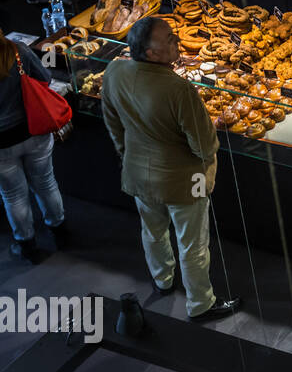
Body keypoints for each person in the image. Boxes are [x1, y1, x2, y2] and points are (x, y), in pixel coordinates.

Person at [100, 17, 240, 321]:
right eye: (170, 39)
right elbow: (204, 144)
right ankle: (201, 303)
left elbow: (111, 119)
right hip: (184, 180)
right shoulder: (179, 89)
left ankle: (162, 280)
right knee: (193, 244)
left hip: (138, 172)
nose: (177, 41)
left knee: (152, 231)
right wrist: (207, 172)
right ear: (151, 53)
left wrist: (126, 152)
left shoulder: (114, 71)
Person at [0, 31, 67, 262]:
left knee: (13, 196)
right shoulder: (18, 50)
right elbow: (45, 79)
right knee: (46, 182)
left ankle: (28, 246)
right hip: (33, 130)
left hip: (2, 146)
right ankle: (60, 232)